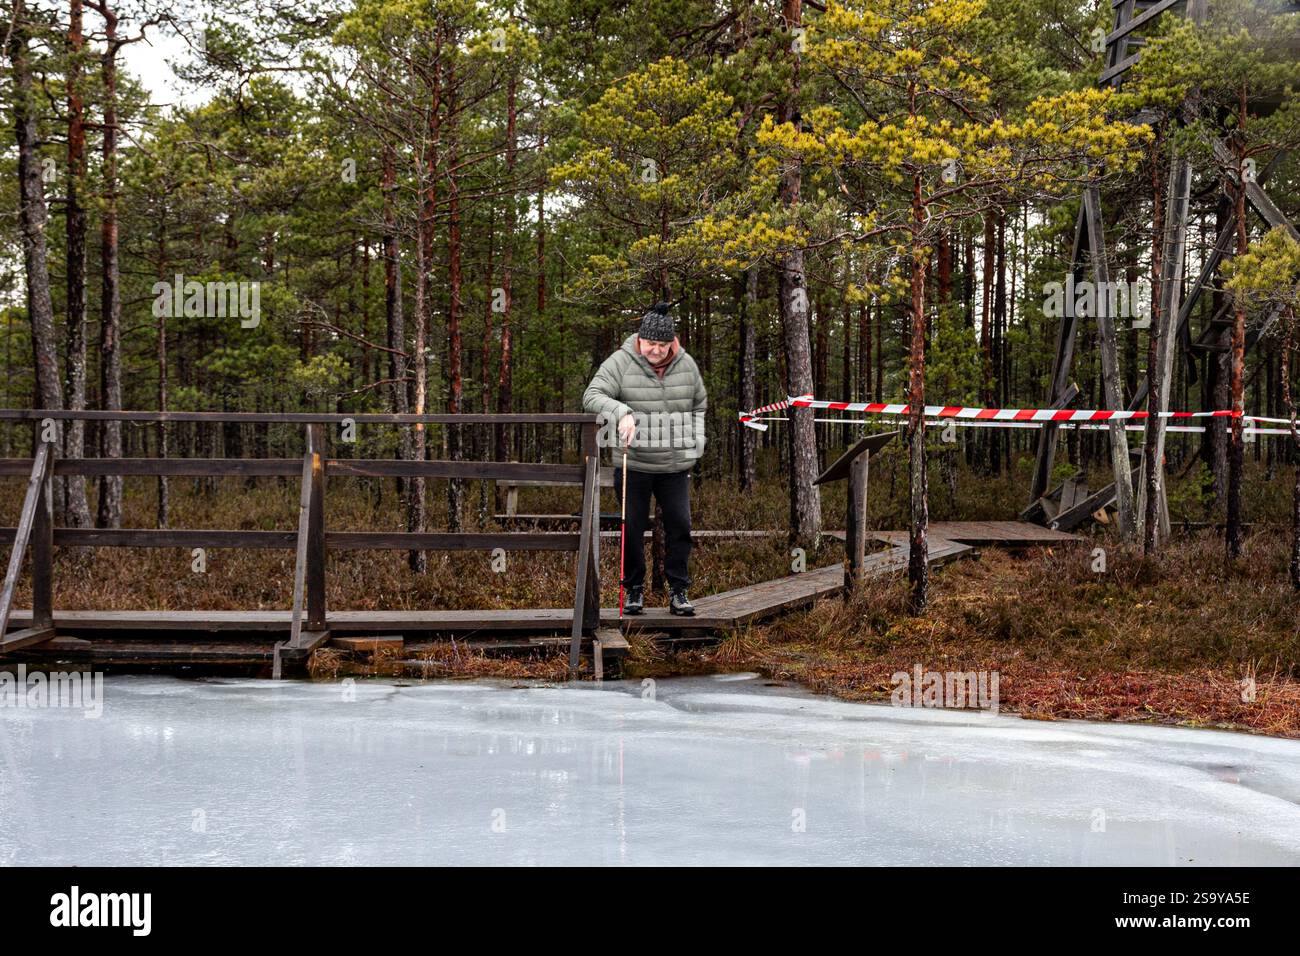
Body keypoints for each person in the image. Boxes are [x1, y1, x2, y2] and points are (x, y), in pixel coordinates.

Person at [582, 302, 707, 616]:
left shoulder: (687, 364)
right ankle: (633, 590)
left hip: (675, 464)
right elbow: (592, 395)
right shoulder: (620, 362)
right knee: (632, 527)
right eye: (652, 344)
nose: (657, 350)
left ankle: (679, 591)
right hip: (633, 462)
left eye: (663, 345)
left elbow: (699, 405)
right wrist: (621, 411)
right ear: (640, 339)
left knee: (681, 525)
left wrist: (695, 443)